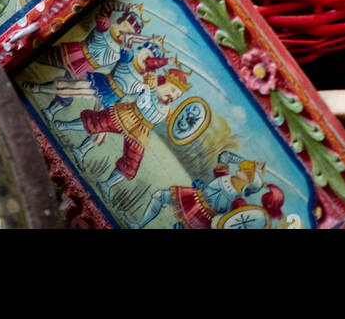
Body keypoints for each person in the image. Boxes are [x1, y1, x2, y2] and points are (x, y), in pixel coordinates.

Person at [73, 65, 189, 195]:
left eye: (177, 96)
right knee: (98, 123)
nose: (172, 96)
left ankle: (107, 184)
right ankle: (79, 149)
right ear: (163, 82)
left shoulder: (168, 111)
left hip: (141, 133)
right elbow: (141, 102)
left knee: (131, 163)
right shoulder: (150, 89)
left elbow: (177, 124)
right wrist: (149, 88)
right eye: (172, 90)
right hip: (127, 115)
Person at [134, 154, 285, 230]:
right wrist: (251, 162)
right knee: (159, 196)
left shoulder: (238, 202)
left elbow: (232, 221)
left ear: (247, 184)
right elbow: (224, 156)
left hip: (202, 218)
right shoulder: (224, 176)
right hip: (192, 197)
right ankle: (138, 226)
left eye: (245, 172)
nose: (240, 169)